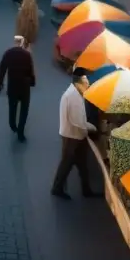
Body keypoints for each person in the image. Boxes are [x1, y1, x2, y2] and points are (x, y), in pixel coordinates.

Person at [50, 69, 100, 199]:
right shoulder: (73, 97)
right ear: (78, 83)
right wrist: (90, 128)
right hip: (73, 137)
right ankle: (57, 188)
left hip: (76, 136)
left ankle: (86, 189)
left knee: (82, 164)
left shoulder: (75, 93)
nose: (88, 85)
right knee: (67, 163)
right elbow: (78, 121)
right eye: (85, 82)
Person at [0, 35, 36, 142]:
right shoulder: (27, 55)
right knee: (24, 110)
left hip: (12, 86)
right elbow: (30, 70)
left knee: (12, 108)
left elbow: (2, 68)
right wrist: (32, 82)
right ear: (22, 43)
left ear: (14, 42)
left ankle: (13, 125)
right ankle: (20, 132)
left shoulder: (8, 53)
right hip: (24, 86)